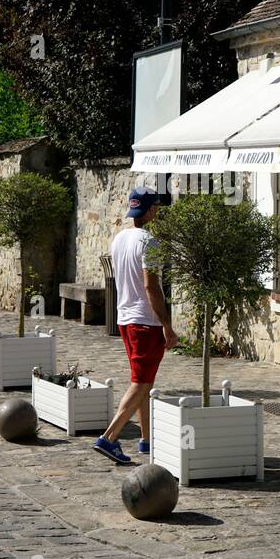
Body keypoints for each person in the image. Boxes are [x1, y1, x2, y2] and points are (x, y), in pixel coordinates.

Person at [93, 186, 179, 464]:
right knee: (141, 384)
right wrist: (166, 324)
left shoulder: (119, 239)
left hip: (125, 319)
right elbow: (151, 286)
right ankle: (109, 437)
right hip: (146, 322)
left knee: (144, 380)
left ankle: (146, 440)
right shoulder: (150, 243)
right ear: (152, 210)